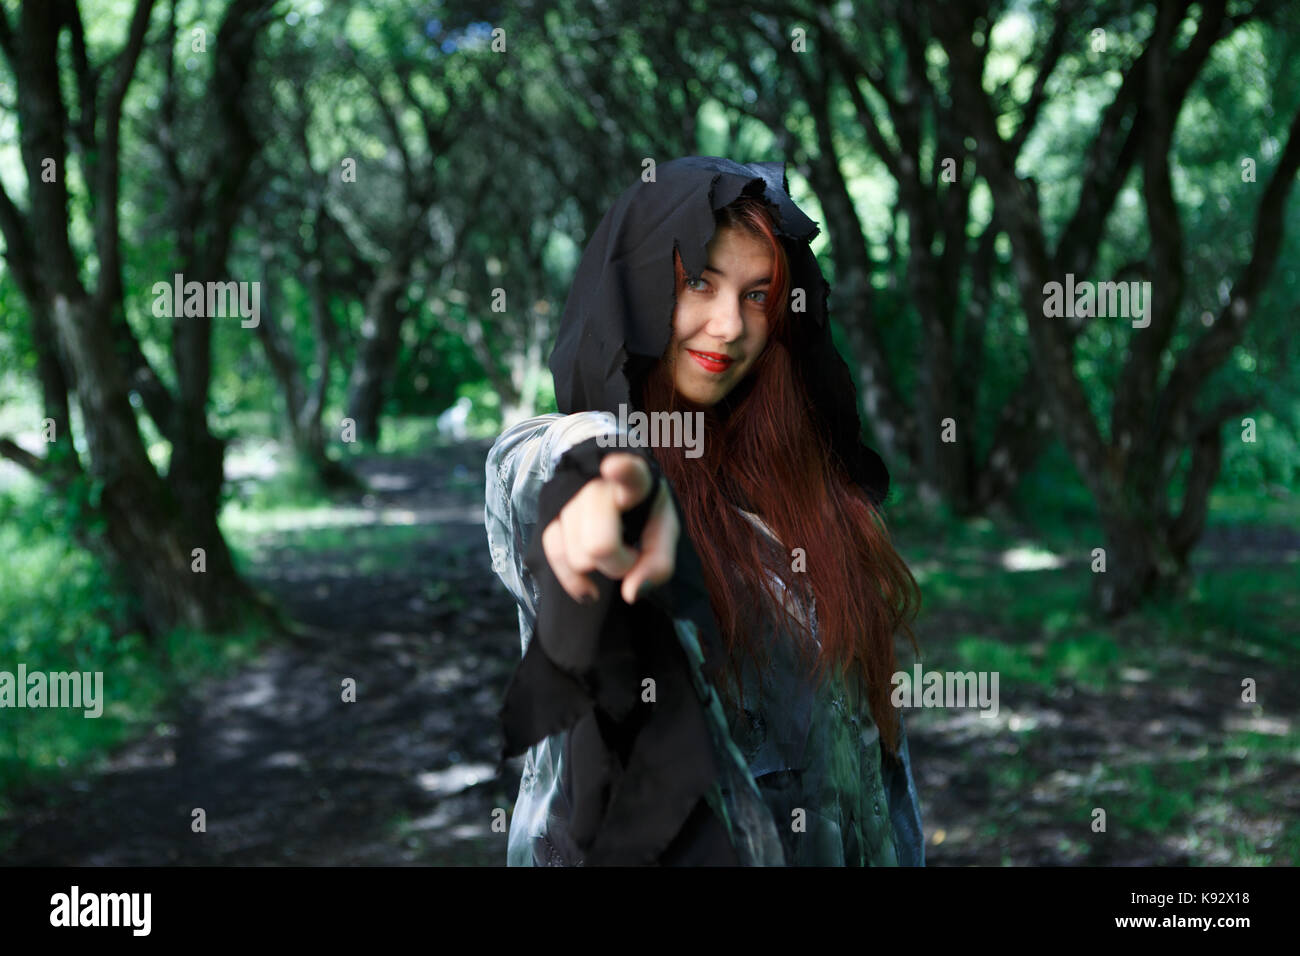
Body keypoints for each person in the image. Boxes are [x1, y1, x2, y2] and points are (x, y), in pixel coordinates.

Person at [485, 156, 925, 866]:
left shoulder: (806, 490)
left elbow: (876, 765)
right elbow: (552, 458)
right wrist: (611, 484)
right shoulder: (580, 450)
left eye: (756, 296)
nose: (728, 326)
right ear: (639, 288)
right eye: (698, 283)